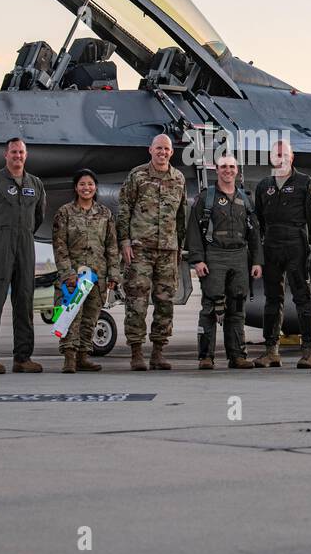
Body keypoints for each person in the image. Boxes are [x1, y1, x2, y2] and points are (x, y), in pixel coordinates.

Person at [0, 137, 47, 374]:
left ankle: (23, 358)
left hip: (25, 246)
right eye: (13, 152)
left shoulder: (35, 183)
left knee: (24, 301)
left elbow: (39, 216)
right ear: (6, 155)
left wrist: (24, 235)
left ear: (26, 155)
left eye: (21, 152)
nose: (18, 156)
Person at [116, 134, 187, 370]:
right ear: (150, 150)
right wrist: (124, 241)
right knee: (136, 301)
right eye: (159, 148)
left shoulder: (178, 178)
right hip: (140, 250)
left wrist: (179, 247)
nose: (162, 152)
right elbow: (124, 209)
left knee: (165, 302)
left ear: (171, 152)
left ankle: (158, 352)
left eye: (166, 149)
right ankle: (136, 352)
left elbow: (181, 217)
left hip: (168, 250)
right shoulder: (137, 176)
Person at [187, 153, 263, 369]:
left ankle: (237, 356)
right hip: (215, 256)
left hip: (239, 257)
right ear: (217, 170)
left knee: (237, 307)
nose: (227, 170)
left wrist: (257, 261)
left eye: (231, 166)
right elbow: (194, 231)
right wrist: (198, 260)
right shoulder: (206, 198)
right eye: (223, 167)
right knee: (210, 307)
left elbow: (254, 232)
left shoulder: (244, 199)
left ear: (236, 170)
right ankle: (206, 357)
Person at [253, 139, 311, 369]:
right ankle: (271, 351)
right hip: (272, 245)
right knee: (272, 300)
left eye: (285, 154)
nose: (281, 158)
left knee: (303, 297)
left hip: (296, 244)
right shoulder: (264, 185)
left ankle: (308, 352)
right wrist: (258, 252)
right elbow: (258, 221)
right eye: (276, 154)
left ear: (292, 157)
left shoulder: (305, 182)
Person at [51, 169, 120, 374]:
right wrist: (67, 274)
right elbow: (60, 246)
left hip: (97, 276)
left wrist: (113, 275)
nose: (86, 188)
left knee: (90, 317)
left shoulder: (105, 214)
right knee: (70, 316)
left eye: (90, 184)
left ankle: (83, 356)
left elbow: (112, 247)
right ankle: (69, 358)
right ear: (76, 187)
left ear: (95, 187)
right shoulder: (65, 213)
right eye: (82, 184)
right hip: (73, 276)